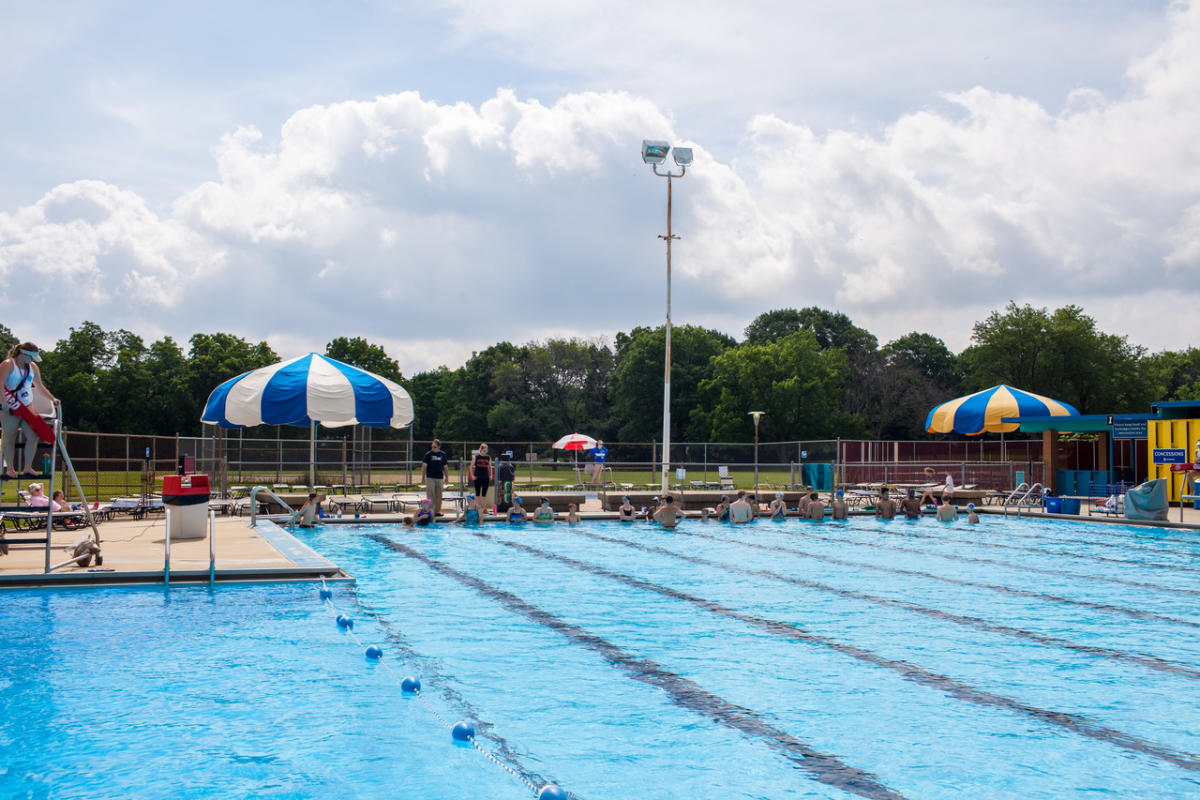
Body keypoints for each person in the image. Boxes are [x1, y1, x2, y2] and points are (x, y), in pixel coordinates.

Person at [1, 342, 60, 478]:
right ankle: (10, 469)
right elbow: (0, 384)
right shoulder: (8, 364)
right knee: (10, 437)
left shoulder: (33, 367)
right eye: (31, 357)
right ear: (23, 354)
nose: (32, 360)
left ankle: (27, 467)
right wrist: (4, 402)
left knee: (33, 436)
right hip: (10, 407)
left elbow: (39, 386)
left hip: (27, 406)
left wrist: (53, 399)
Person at [420, 439, 451, 515]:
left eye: (435, 447)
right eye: (432, 447)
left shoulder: (443, 455)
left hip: (440, 477)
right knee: (430, 495)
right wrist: (423, 477)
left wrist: (447, 477)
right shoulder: (428, 454)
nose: (433, 448)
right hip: (430, 477)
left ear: (439, 447)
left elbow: (445, 466)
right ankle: (430, 511)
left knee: (439, 495)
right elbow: (424, 466)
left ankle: (437, 511)